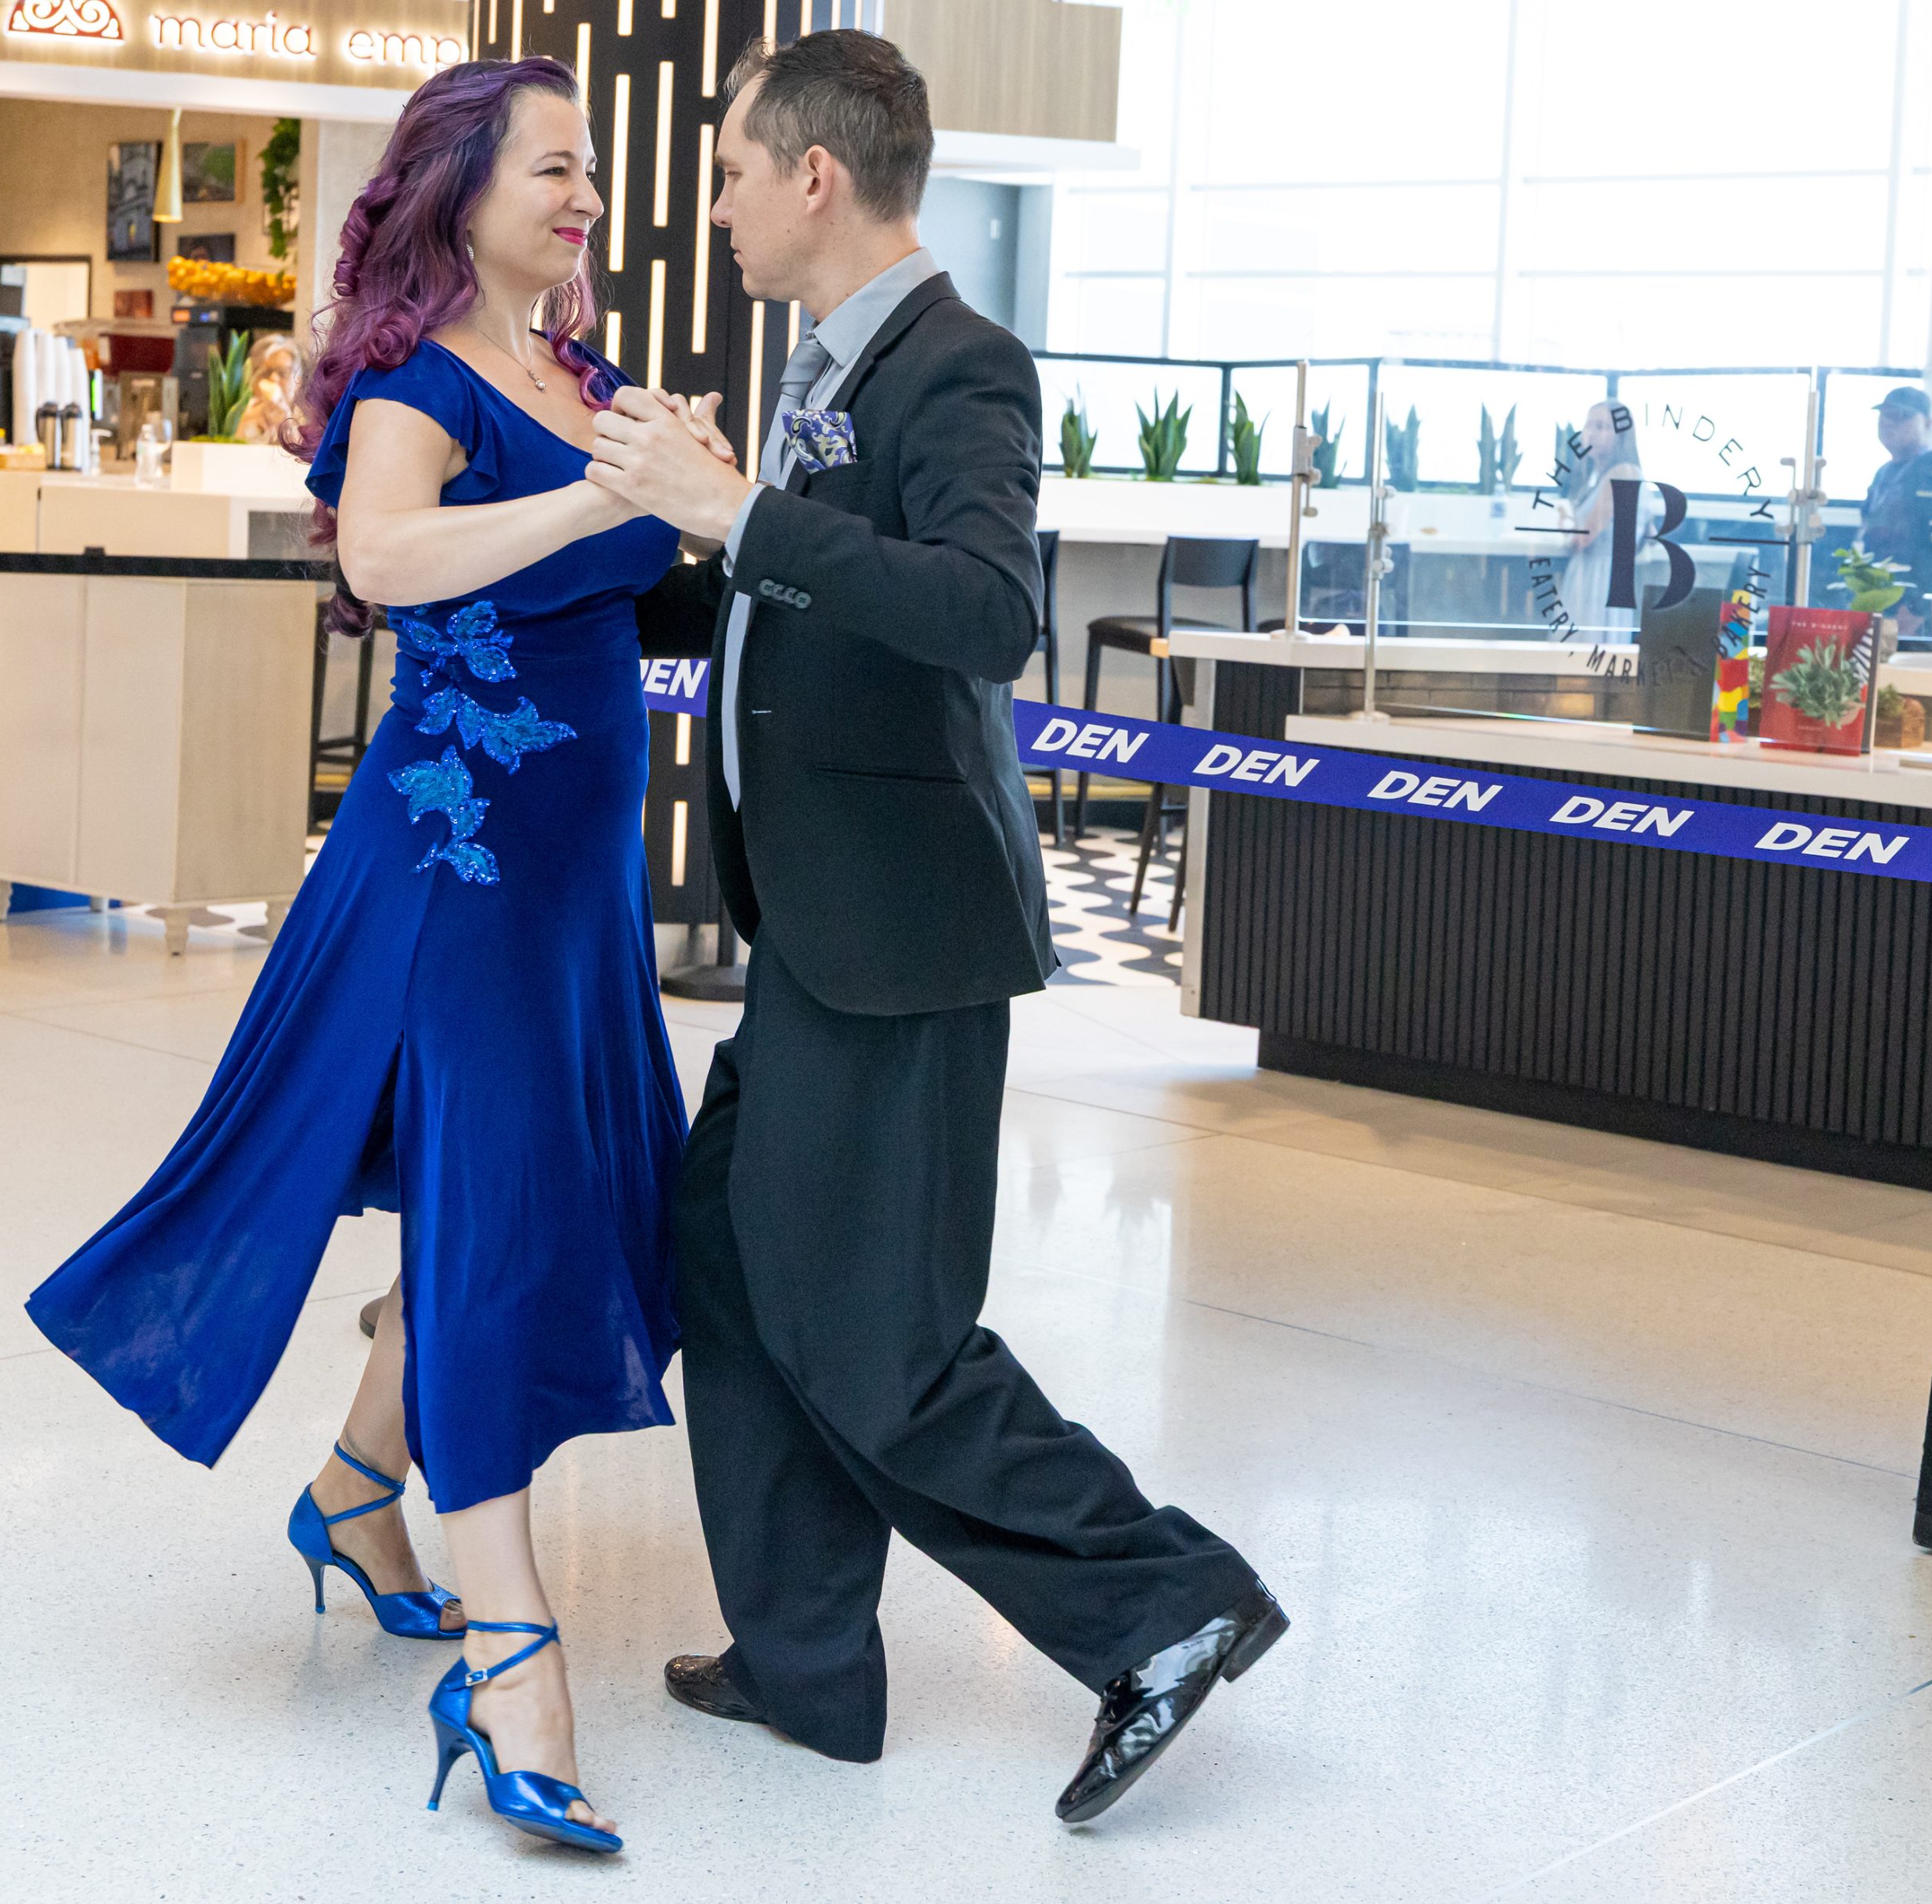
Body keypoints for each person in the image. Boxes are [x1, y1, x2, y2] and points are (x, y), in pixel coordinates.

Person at [584, 30, 1285, 1826]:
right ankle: (803, 1655)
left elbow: (980, 611)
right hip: (822, 925)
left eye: (730, 172)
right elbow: (794, 605)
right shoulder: (825, 367)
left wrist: (738, 513)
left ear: (812, 176)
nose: (717, 207)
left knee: (880, 1339)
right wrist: (676, 530)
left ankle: (1161, 1603)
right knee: (727, 1258)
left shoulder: (959, 364)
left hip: (899, 933)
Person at [25, 57, 715, 1855]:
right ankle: (512, 1658)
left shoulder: (588, 380)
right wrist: (598, 501)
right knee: (496, 1230)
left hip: (571, 879)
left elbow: (667, 560)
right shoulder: (419, 388)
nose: (583, 197)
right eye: (552, 167)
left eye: (587, 170)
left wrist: (696, 481)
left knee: (511, 1203)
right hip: (454, 869)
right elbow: (394, 557)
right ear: (460, 187)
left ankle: (350, 1494)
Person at [1859, 384, 1932, 648]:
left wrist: (1919, 607)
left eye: (1902, 416)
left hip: (1914, 617)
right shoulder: (1884, 472)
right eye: (1885, 415)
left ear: (1927, 423)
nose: (1888, 423)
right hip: (1884, 601)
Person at [1558, 399, 1658, 643]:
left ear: (1620, 436)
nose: (1591, 433)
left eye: (1601, 426)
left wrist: (1564, 522)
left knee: (1584, 655)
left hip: (1598, 581)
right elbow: (1650, 533)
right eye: (1589, 425)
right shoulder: (1610, 474)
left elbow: (1582, 539)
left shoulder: (1622, 473)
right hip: (1599, 578)